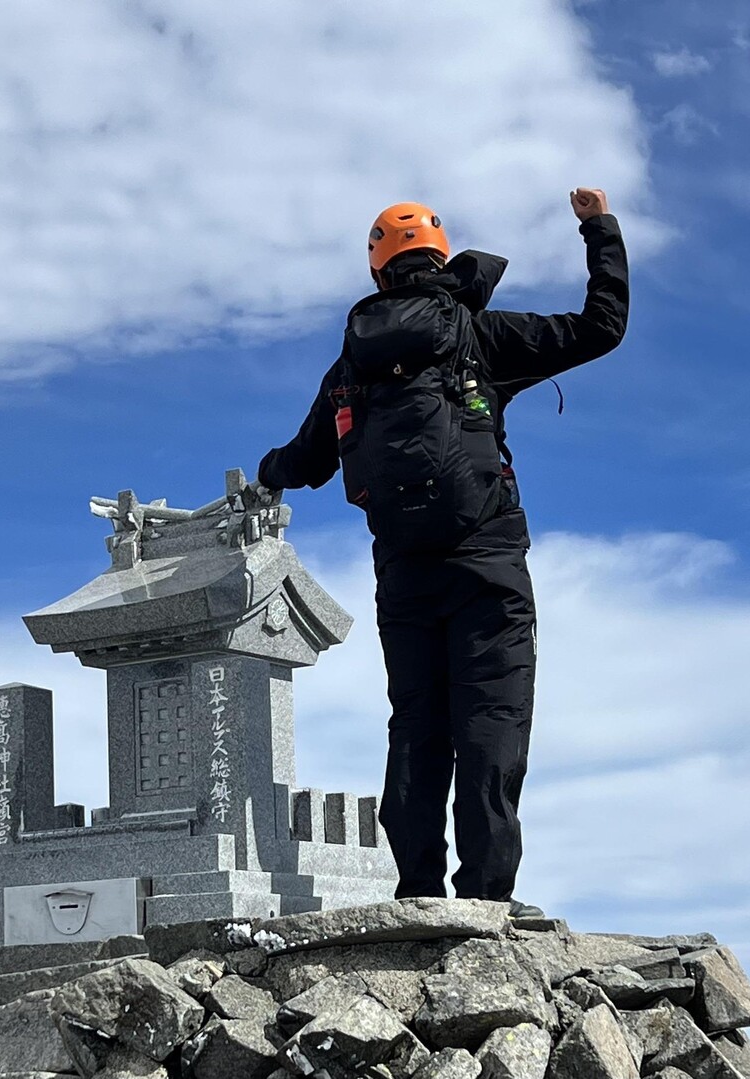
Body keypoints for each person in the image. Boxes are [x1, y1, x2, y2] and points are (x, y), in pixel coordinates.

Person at [254, 189, 629, 915]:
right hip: (487, 563)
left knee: (417, 726)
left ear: (378, 273)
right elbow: (602, 327)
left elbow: (304, 460)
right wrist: (598, 229)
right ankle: (485, 898)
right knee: (491, 719)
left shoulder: (350, 369)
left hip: (403, 576)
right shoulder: (479, 334)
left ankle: (417, 892)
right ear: (441, 255)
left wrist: (266, 474)